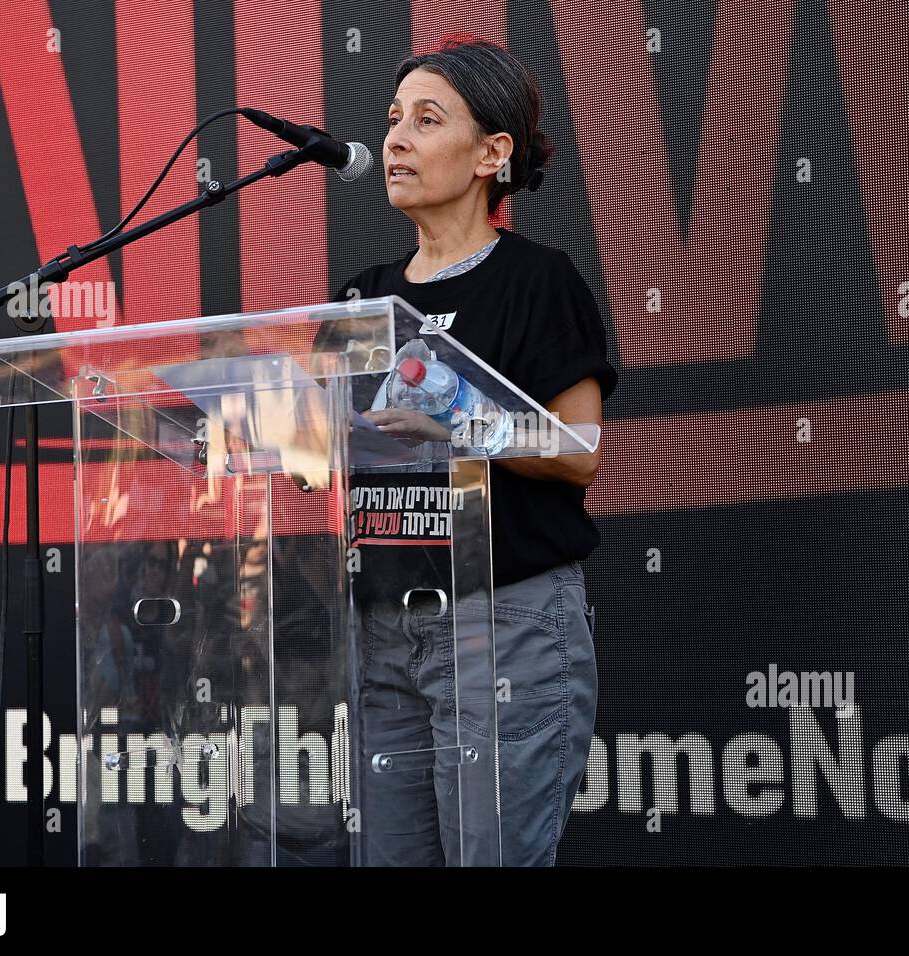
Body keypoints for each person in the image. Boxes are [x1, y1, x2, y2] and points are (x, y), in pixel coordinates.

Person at [327, 37, 617, 866]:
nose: (394, 140)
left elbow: (577, 449)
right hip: (382, 624)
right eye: (391, 121)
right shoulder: (361, 298)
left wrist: (457, 430)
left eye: (426, 119)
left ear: (494, 153)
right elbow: (318, 437)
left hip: (504, 623)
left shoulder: (537, 280)